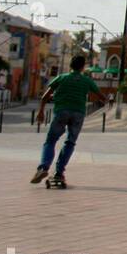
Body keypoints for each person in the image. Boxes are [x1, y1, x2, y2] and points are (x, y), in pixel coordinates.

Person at [32, 55, 107, 186]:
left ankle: (43, 168)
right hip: (78, 114)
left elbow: (45, 96)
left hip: (61, 112)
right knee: (70, 142)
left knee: (50, 141)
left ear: (70, 66)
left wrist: (41, 112)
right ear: (83, 67)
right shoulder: (87, 81)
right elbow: (101, 96)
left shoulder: (61, 78)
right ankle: (59, 172)